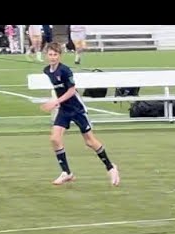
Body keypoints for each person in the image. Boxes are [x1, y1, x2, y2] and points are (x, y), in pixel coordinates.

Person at [41, 42, 120, 187]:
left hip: (77, 109)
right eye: (50, 54)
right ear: (46, 55)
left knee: (90, 141)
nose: (52, 57)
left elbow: (71, 91)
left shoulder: (65, 71)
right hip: (64, 110)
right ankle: (66, 173)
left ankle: (111, 167)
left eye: (55, 55)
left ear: (60, 56)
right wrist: (56, 102)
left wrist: (55, 102)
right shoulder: (47, 70)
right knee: (54, 138)